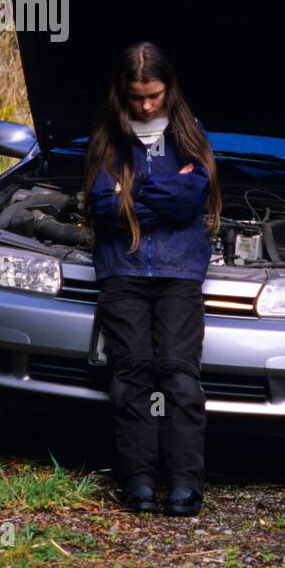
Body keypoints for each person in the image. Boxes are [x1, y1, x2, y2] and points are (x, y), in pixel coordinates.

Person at [82, 42, 222, 515]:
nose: (145, 105)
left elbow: (192, 198)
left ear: (169, 89)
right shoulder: (106, 135)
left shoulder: (190, 131)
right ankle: (138, 481)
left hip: (179, 271)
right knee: (130, 375)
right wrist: (163, 191)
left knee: (180, 378)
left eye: (154, 95)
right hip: (122, 270)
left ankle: (186, 483)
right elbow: (102, 205)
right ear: (123, 91)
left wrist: (133, 191)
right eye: (138, 96)